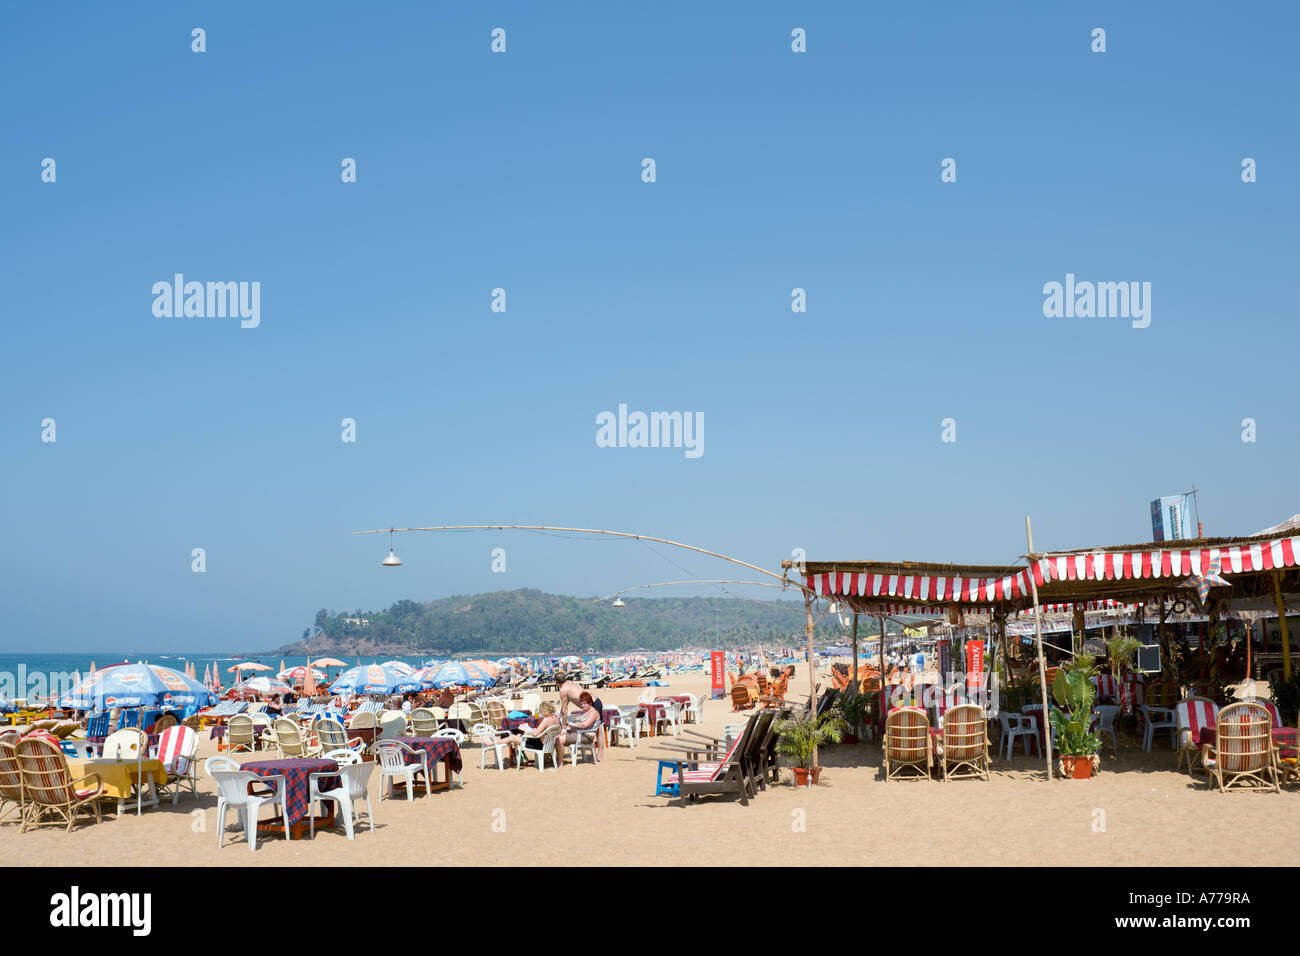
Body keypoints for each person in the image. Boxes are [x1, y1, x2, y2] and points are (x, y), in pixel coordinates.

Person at [563, 691, 605, 762]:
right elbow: (578, 723)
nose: (583, 706)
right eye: (582, 704)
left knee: (559, 739)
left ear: (590, 703)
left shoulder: (593, 712)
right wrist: (568, 728)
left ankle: (559, 763)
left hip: (585, 736)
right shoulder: (584, 712)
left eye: (585, 703)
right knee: (557, 737)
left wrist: (572, 724)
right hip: (579, 734)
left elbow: (585, 725)